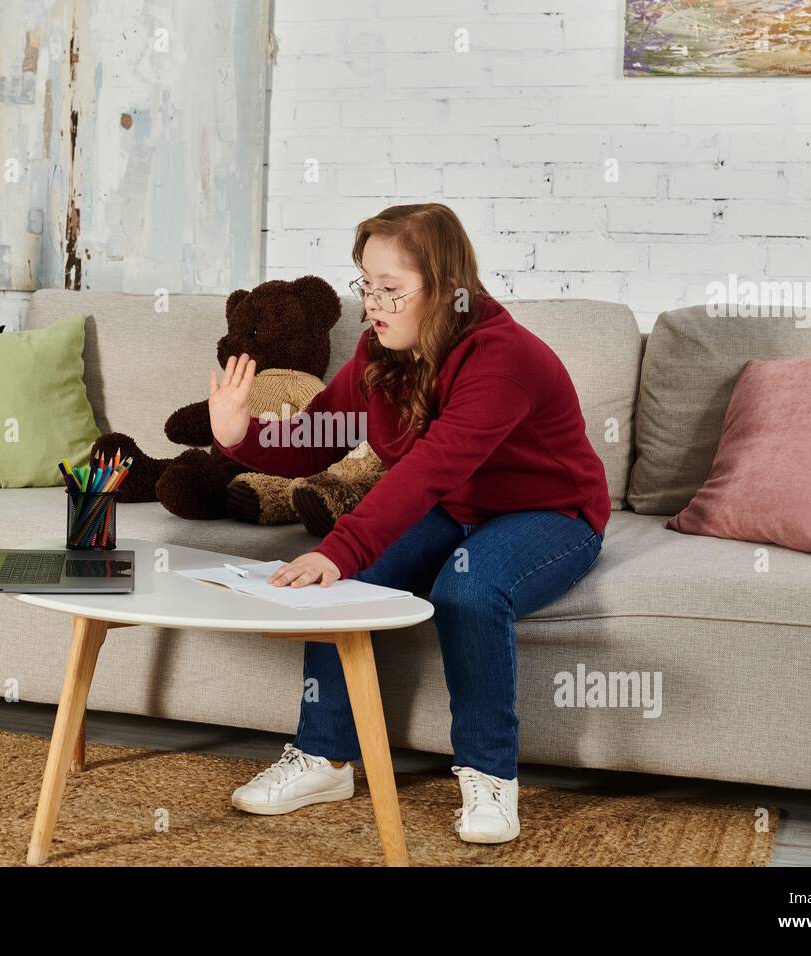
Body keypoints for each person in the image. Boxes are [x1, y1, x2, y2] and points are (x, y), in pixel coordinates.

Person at [209, 203, 610, 844]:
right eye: (366, 285)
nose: (373, 304)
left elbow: (428, 471)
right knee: (343, 580)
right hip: (454, 509)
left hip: (550, 513)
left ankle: (489, 777)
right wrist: (240, 437)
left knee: (467, 589)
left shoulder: (501, 359)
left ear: (449, 290)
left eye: (391, 290)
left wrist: (337, 549)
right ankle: (325, 757)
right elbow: (322, 437)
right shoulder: (381, 350)